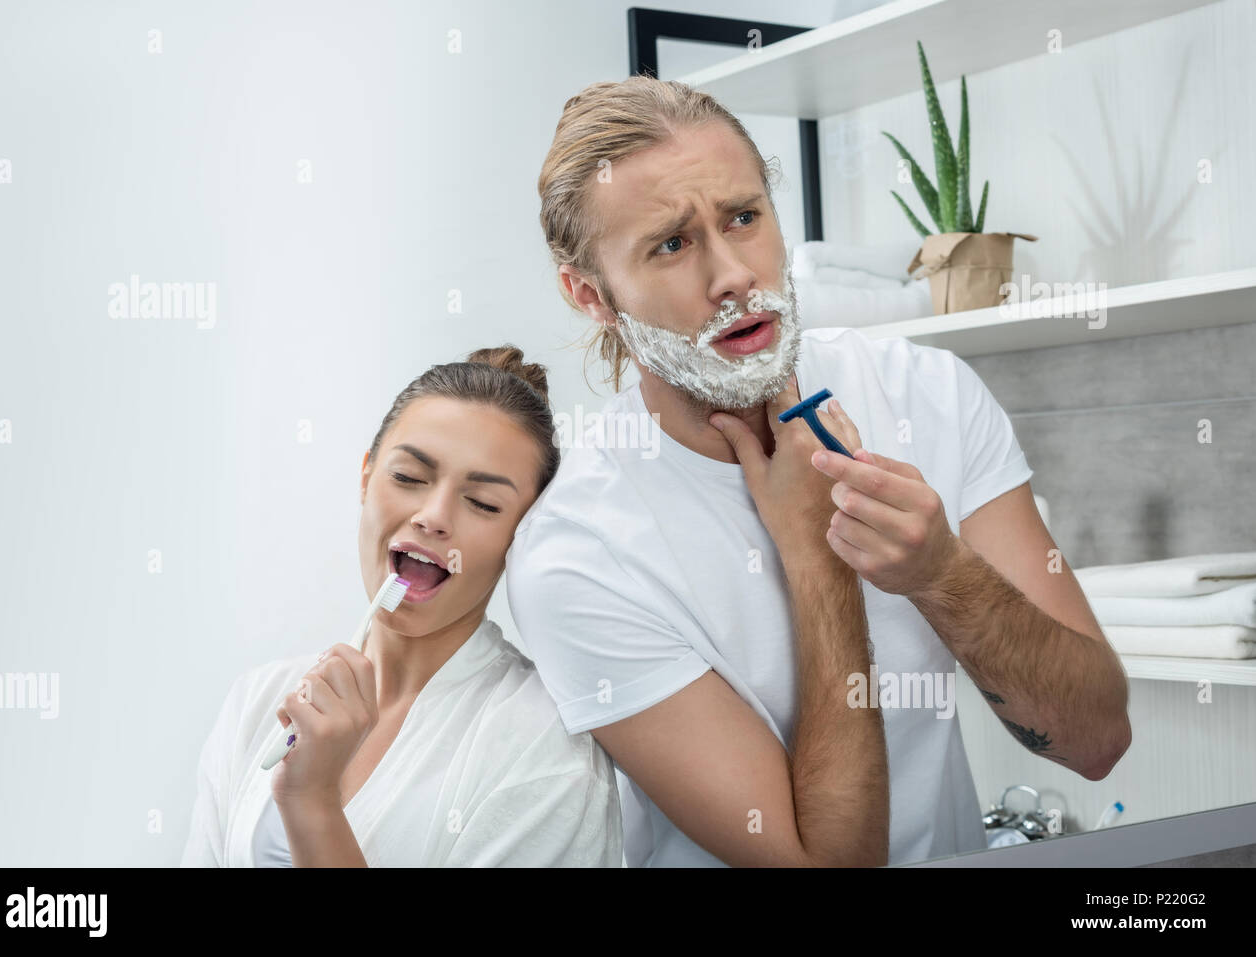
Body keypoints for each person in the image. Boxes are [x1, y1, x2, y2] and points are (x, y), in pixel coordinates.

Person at [506, 75, 1131, 867]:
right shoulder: (578, 553)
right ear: (590, 294)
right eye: (672, 242)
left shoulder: (926, 393)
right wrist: (817, 560)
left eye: (743, 217)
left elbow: (1099, 738)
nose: (733, 273)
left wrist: (942, 571)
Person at [181, 346, 623, 867]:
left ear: (522, 534)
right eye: (409, 478)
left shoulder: (544, 754)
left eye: (483, 503)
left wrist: (312, 801)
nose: (433, 516)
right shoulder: (258, 702)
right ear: (366, 478)